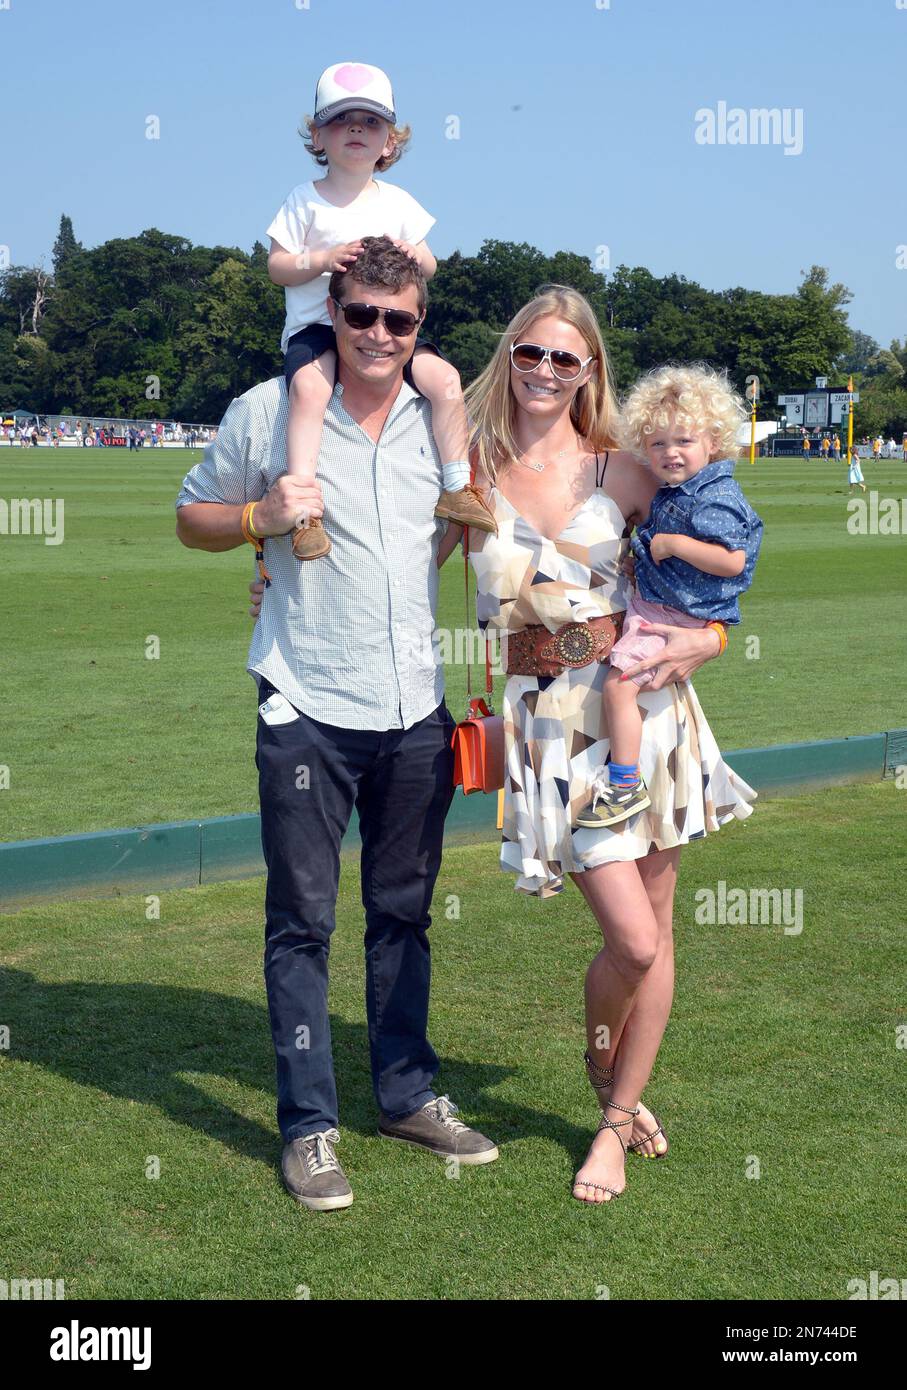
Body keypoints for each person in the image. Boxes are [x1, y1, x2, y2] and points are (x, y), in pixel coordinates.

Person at [176, 237, 498, 1213]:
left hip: (413, 710)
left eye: (400, 320)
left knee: (403, 915)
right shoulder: (268, 410)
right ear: (334, 309)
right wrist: (261, 521)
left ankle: (404, 1093)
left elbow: (452, 532)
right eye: (363, 315)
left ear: (417, 327)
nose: (379, 335)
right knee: (302, 924)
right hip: (306, 703)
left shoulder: (438, 420)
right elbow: (192, 515)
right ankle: (309, 1129)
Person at [459, 286, 756, 1204]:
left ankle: (615, 1122)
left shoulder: (623, 468)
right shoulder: (463, 465)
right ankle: (608, 1088)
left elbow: (730, 546)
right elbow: (391, 572)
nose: (545, 371)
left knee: (653, 936)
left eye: (565, 358)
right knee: (629, 943)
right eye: (530, 353)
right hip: (544, 723)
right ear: (507, 355)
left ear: (589, 370)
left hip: (639, 706)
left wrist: (709, 639)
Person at [266, 60, 495, 561]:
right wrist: (321, 260)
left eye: (371, 122)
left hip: (390, 331)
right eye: (340, 119)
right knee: (309, 387)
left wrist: (416, 255)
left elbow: (430, 263)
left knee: (445, 380)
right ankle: (306, 510)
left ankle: (458, 486)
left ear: (390, 142)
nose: (356, 129)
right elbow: (278, 266)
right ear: (318, 137)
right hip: (318, 327)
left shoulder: (399, 202)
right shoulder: (305, 200)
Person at [573, 365, 762, 828]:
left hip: (670, 618)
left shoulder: (712, 496)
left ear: (712, 442)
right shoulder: (679, 490)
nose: (670, 453)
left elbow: (733, 560)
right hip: (662, 606)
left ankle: (624, 783)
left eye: (683, 441)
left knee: (620, 687)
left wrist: (674, 545)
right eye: (658, 444)